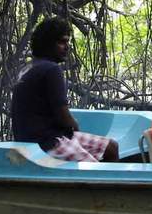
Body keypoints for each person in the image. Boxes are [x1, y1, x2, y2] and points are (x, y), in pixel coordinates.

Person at [11, 17, 119, 162]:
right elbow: (63, 116)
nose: (67, 47)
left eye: (67, 41)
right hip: (47, 143)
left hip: (41, 138)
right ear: (47, 44)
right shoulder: (51, 70)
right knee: (94, 169)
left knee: (111, 147)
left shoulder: (28, 68)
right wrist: (74, 126)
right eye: (62, 42)